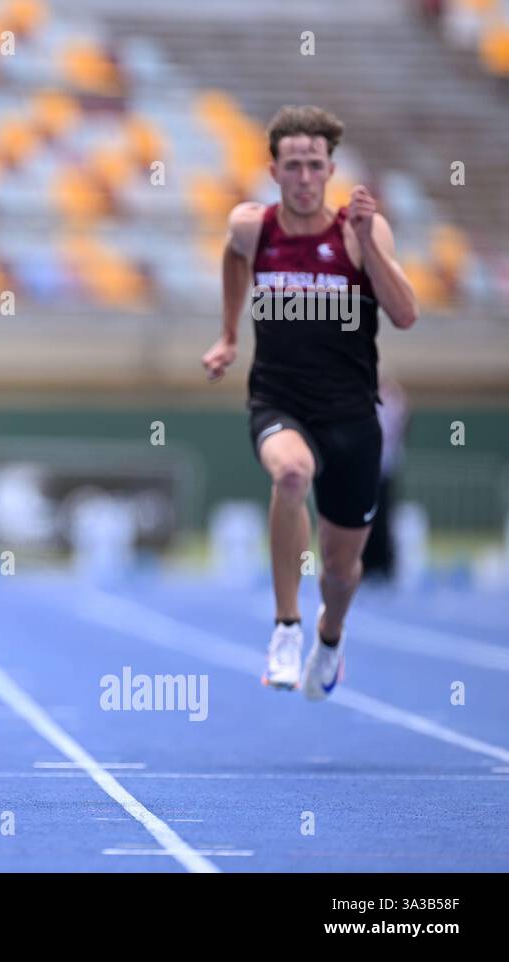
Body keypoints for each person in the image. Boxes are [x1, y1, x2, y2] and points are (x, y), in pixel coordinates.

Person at [201, 105, 418, 700]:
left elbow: (404, 314)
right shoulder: (253, 227)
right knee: (291, 474)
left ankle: (329, 634)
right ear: (273, 170)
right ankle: (286, 627)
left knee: (342, 571)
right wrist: (228, 334)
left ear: (331, 170)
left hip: (353, 415)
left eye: (314, 165)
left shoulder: (358, 232)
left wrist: (371, 247)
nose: (302, 176)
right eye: (292, 165)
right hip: (278, 402)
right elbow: (231, 256)